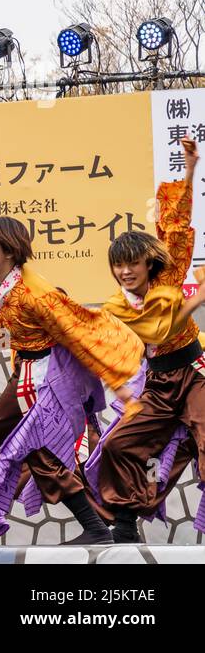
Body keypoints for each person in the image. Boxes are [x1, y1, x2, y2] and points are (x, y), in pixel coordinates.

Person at [0, 216, 144, 545]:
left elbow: (76, 336)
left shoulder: (34, 293)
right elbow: (1, 336)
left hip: (50, 382)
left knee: (38, 455)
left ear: (9, 248)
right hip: (26, 377)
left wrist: (120, 387)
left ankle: (96, 528)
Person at [91, 136, 205, 543]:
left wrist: (190, 171)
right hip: (157, 385)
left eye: (132, 263)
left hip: (194, 374)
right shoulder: (113, 305)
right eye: (117, 265)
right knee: (119, 444)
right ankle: (124, 527)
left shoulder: (168, 278)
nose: (125, 272)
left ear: (147, 263)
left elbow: (176, 227)